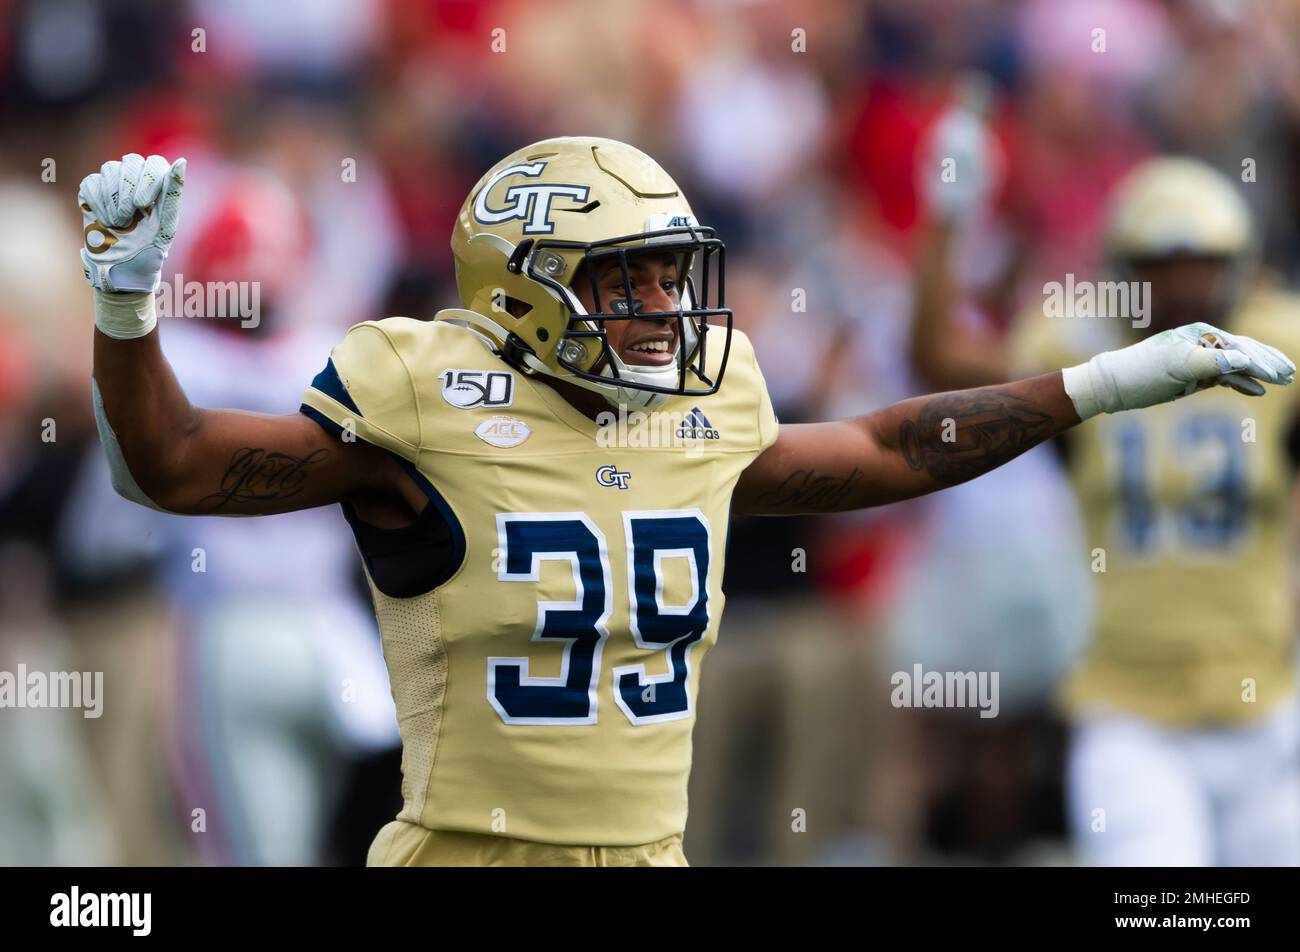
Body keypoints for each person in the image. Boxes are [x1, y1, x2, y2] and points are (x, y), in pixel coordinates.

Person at [82, 137, 1294, 867]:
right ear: (524, 292)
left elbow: (884, 447)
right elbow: (173, 463)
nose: (667, 304)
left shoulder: (700, 412)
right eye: (628, 278)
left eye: (673, 272)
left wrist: (1095, 383)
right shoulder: (422, 393)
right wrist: (129, 315)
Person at [910, 116, 1300, 864]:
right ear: (1122, 266)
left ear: (1240, 264)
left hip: (1263, 704)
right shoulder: (1082, 346)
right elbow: (938, 358)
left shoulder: (1279, 340)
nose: (1182, 283)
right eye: (1161, 263)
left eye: (1201, 262)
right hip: (1129, 710)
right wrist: (947, 215)